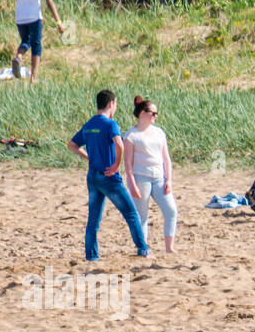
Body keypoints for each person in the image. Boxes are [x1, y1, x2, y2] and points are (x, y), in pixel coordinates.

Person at [67, 89, 150, 260]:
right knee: (131, 213)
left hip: (93, 176)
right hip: (109, 177)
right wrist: (116, 165)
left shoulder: (89, 124)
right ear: (111, 104)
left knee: (93, 220)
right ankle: (143, 250)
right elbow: (120, 145)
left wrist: (88, 157)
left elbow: (72, 145)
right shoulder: (110, 124)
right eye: (116, 105)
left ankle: (91, 256)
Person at [124, 96, 178, 255]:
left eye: (156, 113)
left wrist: (169, 180)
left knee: (171, 210)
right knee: (142, 215)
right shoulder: (132, 135)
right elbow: (128, 164)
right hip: (141, 177)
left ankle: (169, 247)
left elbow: (166, 158)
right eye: (152, 112)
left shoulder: (159, 133)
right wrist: (132, 184)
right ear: (142, 113)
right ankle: (143, 249)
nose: (155, 116)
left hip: (159, 177)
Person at [11, 0, 65, 83]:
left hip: (20, 17)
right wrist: (59, 22)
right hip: (34, 18)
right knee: (36, 45)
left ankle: (18, 57)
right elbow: (50, 3)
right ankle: (33, 77)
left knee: (25, 41)